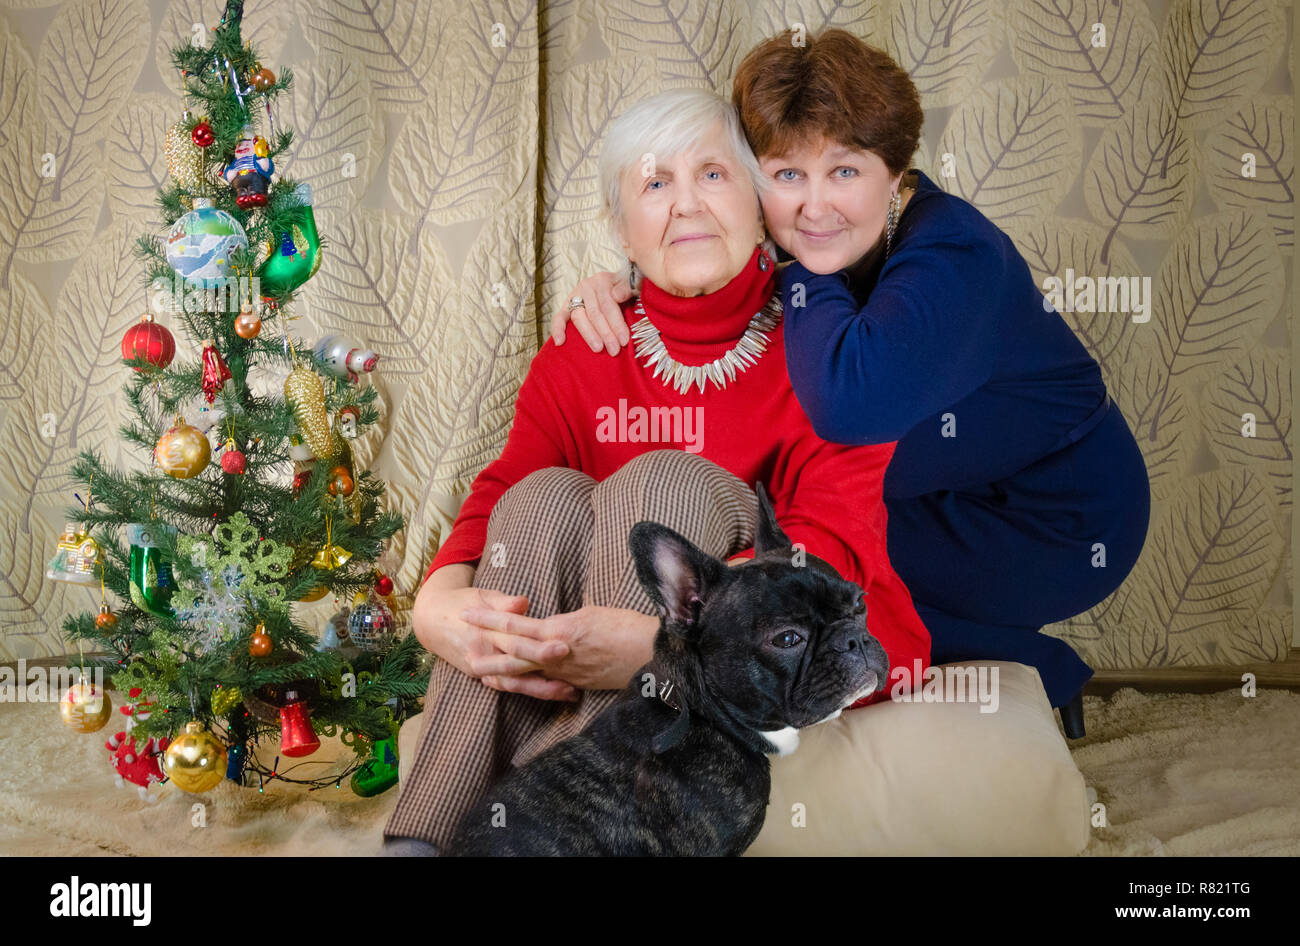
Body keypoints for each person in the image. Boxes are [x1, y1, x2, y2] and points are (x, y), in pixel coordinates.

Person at [552, 29, 1152, 738]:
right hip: (944, 488)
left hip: (1057, 514)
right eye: (785, 175)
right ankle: (1031, 663)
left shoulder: (956, 254)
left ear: (896, 173)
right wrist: (629, 281)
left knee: (815, 575)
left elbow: (846, 402)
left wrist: (806, 260)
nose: (815, 206)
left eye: (845, 172)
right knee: (805, 527)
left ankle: (1031, 665)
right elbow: (705, 260)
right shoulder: (809, 239)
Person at [382, 87, 931, 855]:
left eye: (712, 174)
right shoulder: (586, 345)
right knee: (541, 498)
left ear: (758, 201)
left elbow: (830, 544)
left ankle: (571, 833)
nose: (685, 205)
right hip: (581, 640)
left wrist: (660, 642)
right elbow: (505, 490)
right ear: (621, 230)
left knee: (659, 485)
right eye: (653, 183)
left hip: (770, 644)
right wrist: (436, 601)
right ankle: (425, 844)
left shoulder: (824, 342)